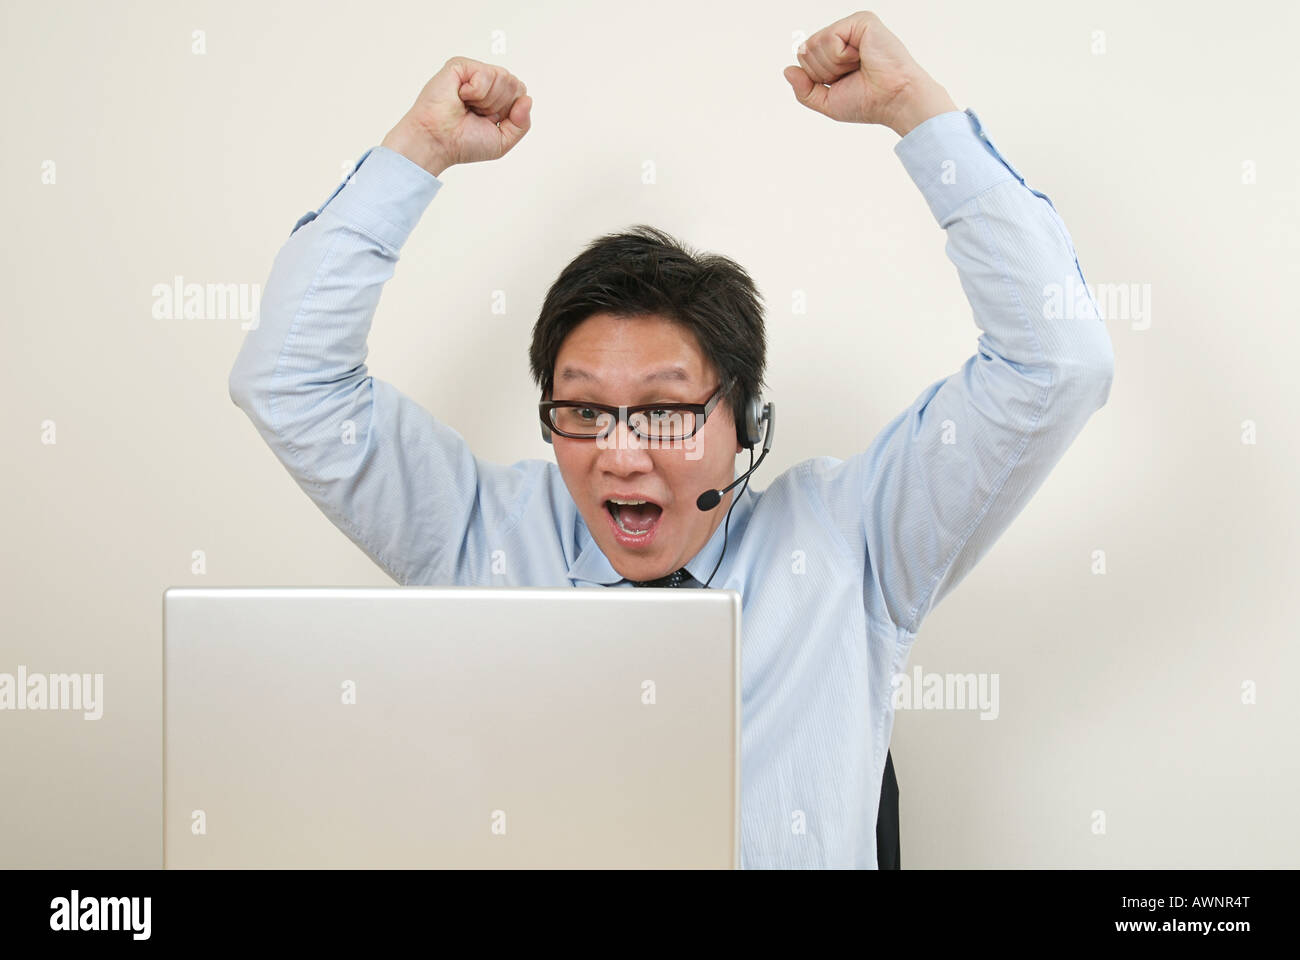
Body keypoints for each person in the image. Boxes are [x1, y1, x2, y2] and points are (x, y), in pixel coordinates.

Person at [228, 11, 1114, 869]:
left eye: (663, 409)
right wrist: (415, 152)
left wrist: (915, 109)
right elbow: (289, 383)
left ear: (745, 425)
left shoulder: (854, 542)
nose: (619, 454)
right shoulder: (480, 538)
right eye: (580, 409)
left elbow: (1056, 363)